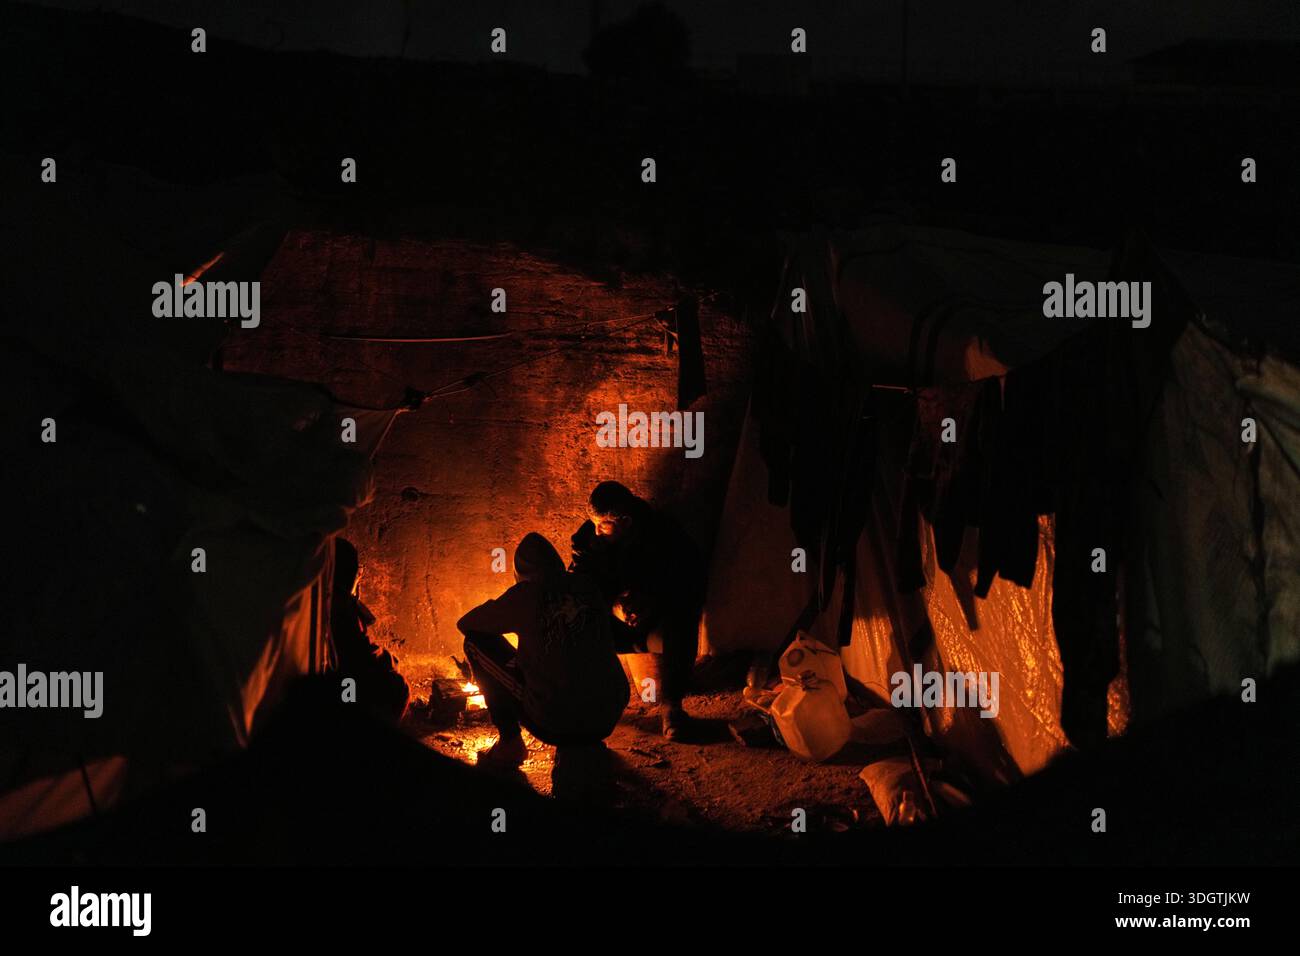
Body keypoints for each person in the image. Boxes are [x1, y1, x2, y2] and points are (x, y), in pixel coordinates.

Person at [458, 533, 630, 771]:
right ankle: (587, 734)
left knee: (474, 643)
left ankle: (510, 744)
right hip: (609, 715)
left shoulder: (526, 593)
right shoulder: (587, 586)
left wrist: (503, 607)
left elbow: (467, 624)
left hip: (556, 722)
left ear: (520, 575)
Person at [569, 481, 705, 740]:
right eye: (594, 523)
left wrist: (653, 601)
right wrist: (611, 606)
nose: (596, 531)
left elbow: (692, 582)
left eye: (603, 525)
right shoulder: (588, 540)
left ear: (625, 522)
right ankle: (588, 703)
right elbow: (578, 586)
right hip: (615, 625)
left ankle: (671, 707)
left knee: (683, 619)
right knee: (575, 619)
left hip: (656, 624)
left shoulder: (666, 535)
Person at [330, 538, 410, 725]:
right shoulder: (341, 608)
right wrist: (390, 661)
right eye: (357, 572)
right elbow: (361, 652)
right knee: (397, 686)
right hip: (343, 680)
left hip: (337, 675)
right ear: (348, 573)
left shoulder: (332, 599)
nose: (360, 577)